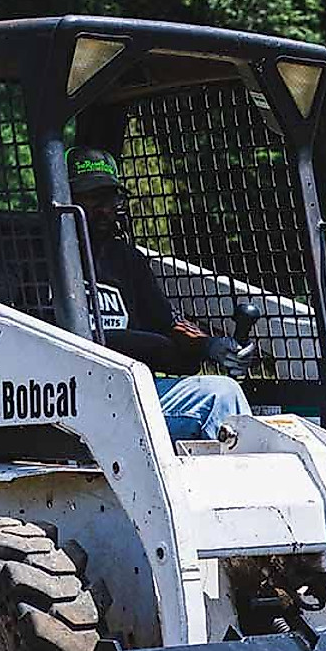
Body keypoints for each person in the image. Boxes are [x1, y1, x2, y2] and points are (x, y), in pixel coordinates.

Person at [65, 146, 250, 441]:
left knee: (229, 395)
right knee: (219, 397)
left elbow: (167, 323)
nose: (105, 207)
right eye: (93, 197)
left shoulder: (126, 259)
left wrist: (211, 346)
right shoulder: (35, 257)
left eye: (110, 197)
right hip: (70, 400)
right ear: (66, 199)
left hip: (132, 392)